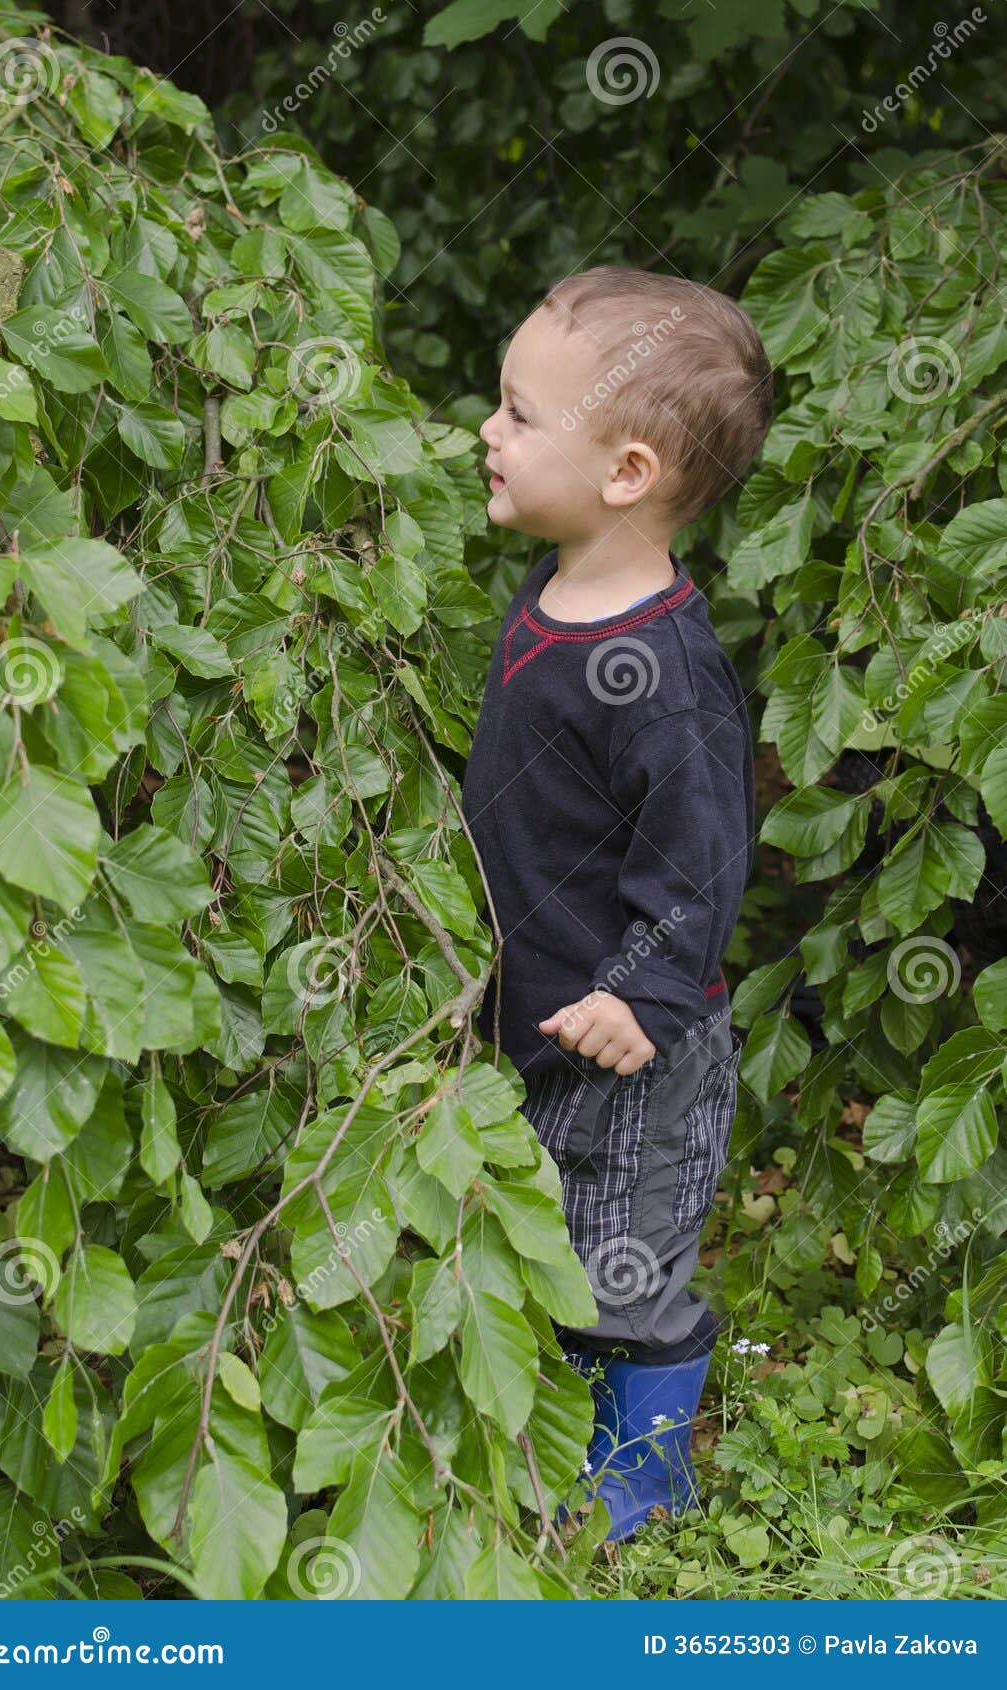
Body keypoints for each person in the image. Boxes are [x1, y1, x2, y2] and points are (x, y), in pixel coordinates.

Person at [460, 266, 773, 1542]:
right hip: (541, 1017)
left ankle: (640, 1483)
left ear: (628, 471)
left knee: (620, 1264)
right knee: (544, 1236)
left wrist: (640, 992)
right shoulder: (550, 598)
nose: (487, 429)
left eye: (519, 415)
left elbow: (702, 858)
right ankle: (540, 1432)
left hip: (634, 1051)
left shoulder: (666, 679)